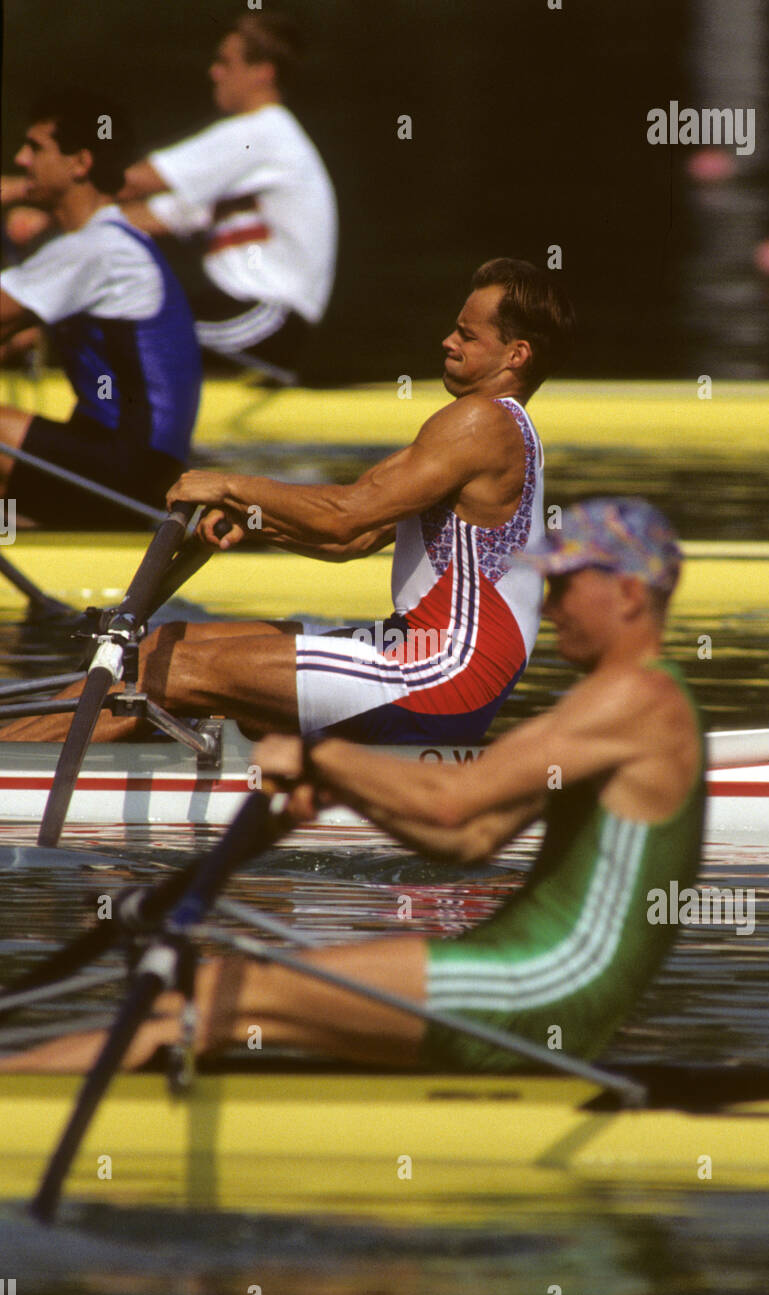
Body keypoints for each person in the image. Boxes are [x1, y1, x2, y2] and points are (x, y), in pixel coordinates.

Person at [1, 499, 706, 1075]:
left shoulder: (633, 699)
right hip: (534, 977)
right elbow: (467, 837)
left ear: (628, 592)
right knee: (221, 996)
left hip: (540, 983)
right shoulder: (620, 701)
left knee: (221, 990)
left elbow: (454, 800)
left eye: (563, 586)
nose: (548, 608)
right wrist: (347, 790)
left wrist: (323, 760)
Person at [1, 257, 575, 747]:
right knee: (163, 642)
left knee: (156, 668)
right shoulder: (491, 431)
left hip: (439, 672)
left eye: (468, 335)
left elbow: (348, 512)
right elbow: (349, 538)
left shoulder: (480, 423)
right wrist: (255, 523)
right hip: (429, 661)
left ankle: (15, 766)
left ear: (516, 354)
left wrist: (226, 485)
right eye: (455, 328)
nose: (448, 341)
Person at [0, 89, 202, 527]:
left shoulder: (99, 248)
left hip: (126, 472)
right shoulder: (106, 242)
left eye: (35, 147)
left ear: (80, 163)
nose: (20, 159)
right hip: (121, 461)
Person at [118, 12, 337, 377]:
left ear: (263, 72)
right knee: (107, 310)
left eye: (225, 63)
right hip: (240, 314)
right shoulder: (241, 159)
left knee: (120, 327)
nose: (213, 73)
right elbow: (151, 217)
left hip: (266, 318)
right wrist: (59, 223)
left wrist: (28, 196)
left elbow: (133, 183)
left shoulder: (262, 133)